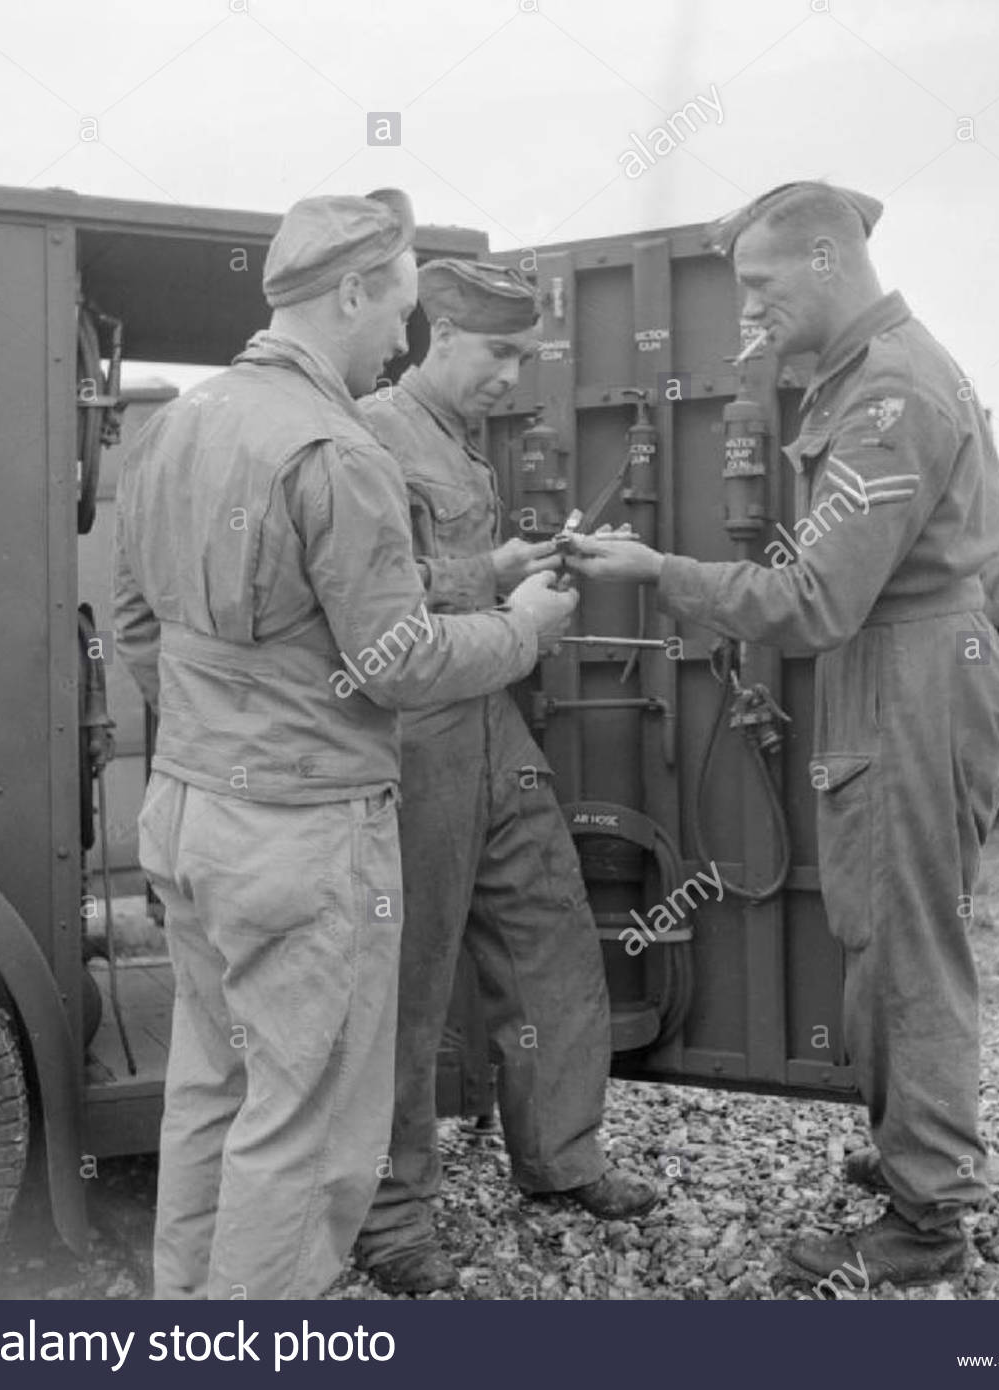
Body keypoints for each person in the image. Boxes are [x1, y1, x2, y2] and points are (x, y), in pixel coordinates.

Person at [113, 191, 577, 1301]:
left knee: (209, 1094)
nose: (401, 342)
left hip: (187, 817)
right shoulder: (340, 447)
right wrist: (519, 632)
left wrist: (223, 738)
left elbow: (137, 629)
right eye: (401, 313)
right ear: (352, 291)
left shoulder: (176, 425)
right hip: (306, 834)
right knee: (306, 1121)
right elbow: (399, 664)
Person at [567, 182, 999, 1288]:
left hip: (913, 680)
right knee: (883, 932)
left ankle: (927, 1218)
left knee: (905, 946)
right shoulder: (870, 372)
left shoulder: (889, 396)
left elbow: (816, 599)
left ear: (826, 261)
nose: (749, 310)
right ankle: (922, 1150)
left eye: (764, 287)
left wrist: (655, 574)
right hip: (904, 669)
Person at [353, 258, 658, 1295]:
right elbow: (367, 600)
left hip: (488, 720)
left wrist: (513, 566)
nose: (512, 375)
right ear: (438, 333)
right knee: (409, 976)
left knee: (549, 929)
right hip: (416, 733)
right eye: (497, 352)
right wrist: (491, 587)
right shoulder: (366, 436)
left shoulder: (458, 447)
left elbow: (454, 580)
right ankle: (390, 1222)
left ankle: (561, 1158)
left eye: (524, 354)